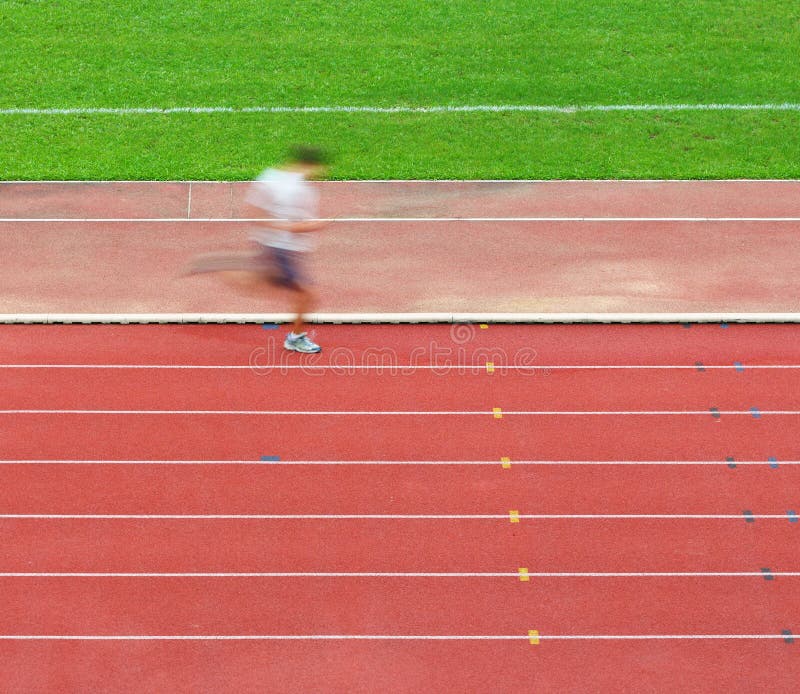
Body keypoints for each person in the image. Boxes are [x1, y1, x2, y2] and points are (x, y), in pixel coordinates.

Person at [188, 145, 330, 353]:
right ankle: (295, 338)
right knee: (307, 294)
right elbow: (263, 215)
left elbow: (256, 211)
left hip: (282, 247)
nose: (320, 174)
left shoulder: (275, 178)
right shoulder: (295, 187)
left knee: (258, 283)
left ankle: (216, 265)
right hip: (280, 248)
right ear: (309, 164)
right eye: (319, 169)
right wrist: (301, 227)